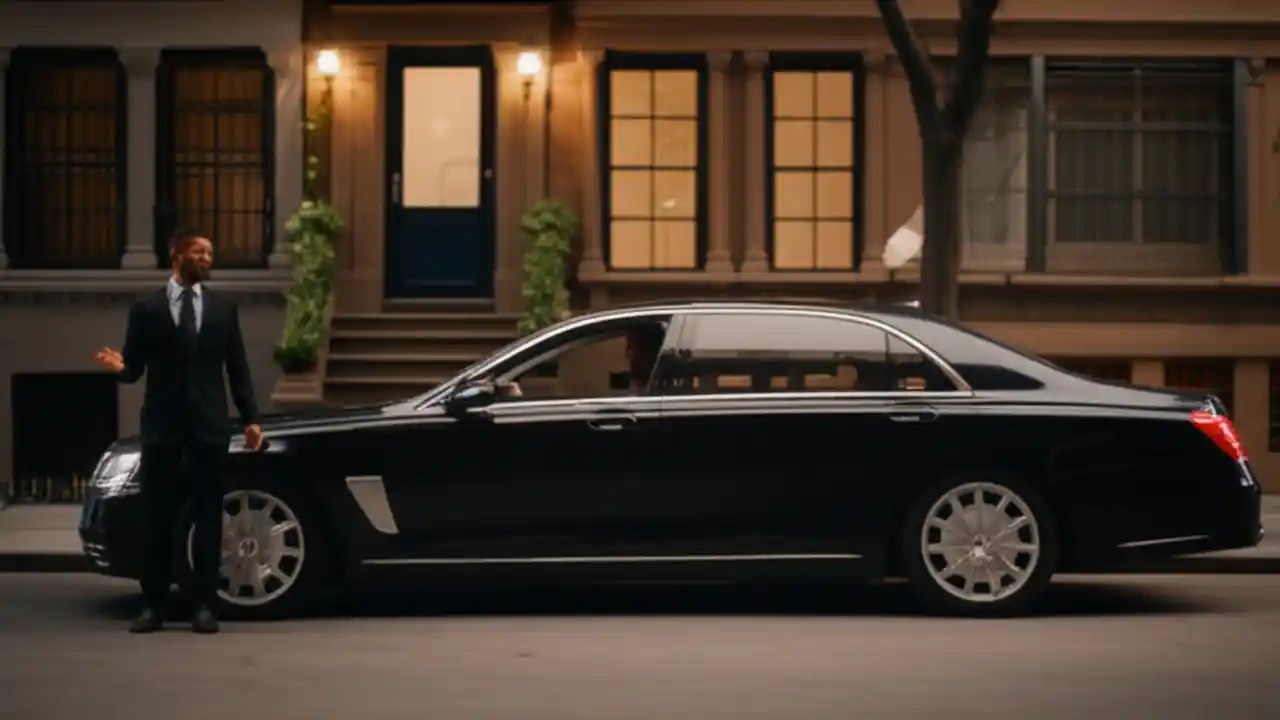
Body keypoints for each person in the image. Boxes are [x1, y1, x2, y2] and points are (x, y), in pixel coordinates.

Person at [94, 229, 263, 634]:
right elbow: (134, 368)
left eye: (209, 252)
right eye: (198, 252)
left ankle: (204, 605)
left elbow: (236, 368)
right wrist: (120, 370)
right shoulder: (147, 309)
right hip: (163, 429)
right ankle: (154, 604)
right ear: (177, 256)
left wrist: (251, 418)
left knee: (208, 518)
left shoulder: (223, 309)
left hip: (208, 428)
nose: (206, 258)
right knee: (158, 517)